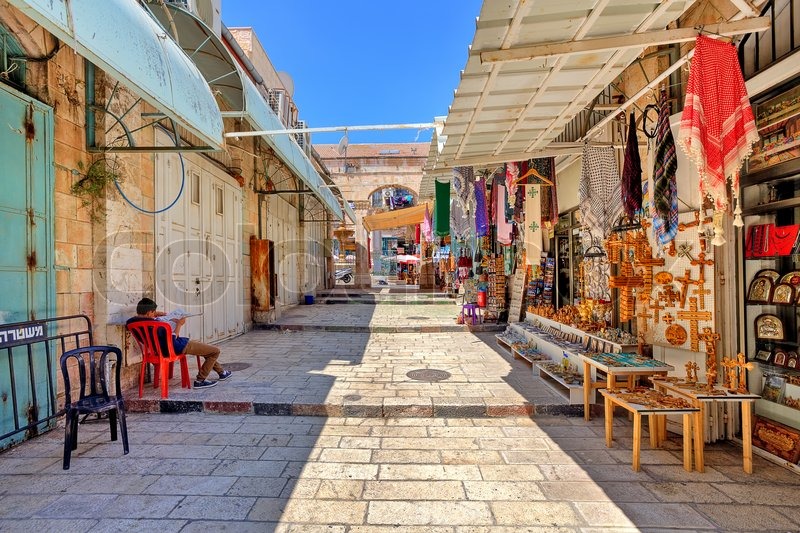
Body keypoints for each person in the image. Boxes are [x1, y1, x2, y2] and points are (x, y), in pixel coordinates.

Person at [127, 297, 231, 389]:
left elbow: (143, 318)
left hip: (157, 350)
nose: (155, 314)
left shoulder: (132, 323)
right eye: (153, 312)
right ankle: (200, 380)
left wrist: (156, 314)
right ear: (149, 313)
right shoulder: (159, 326)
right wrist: (179, 325)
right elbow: (173, 337)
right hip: (174, 347)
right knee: (214, 351)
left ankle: (222, 372)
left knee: (206, 349)